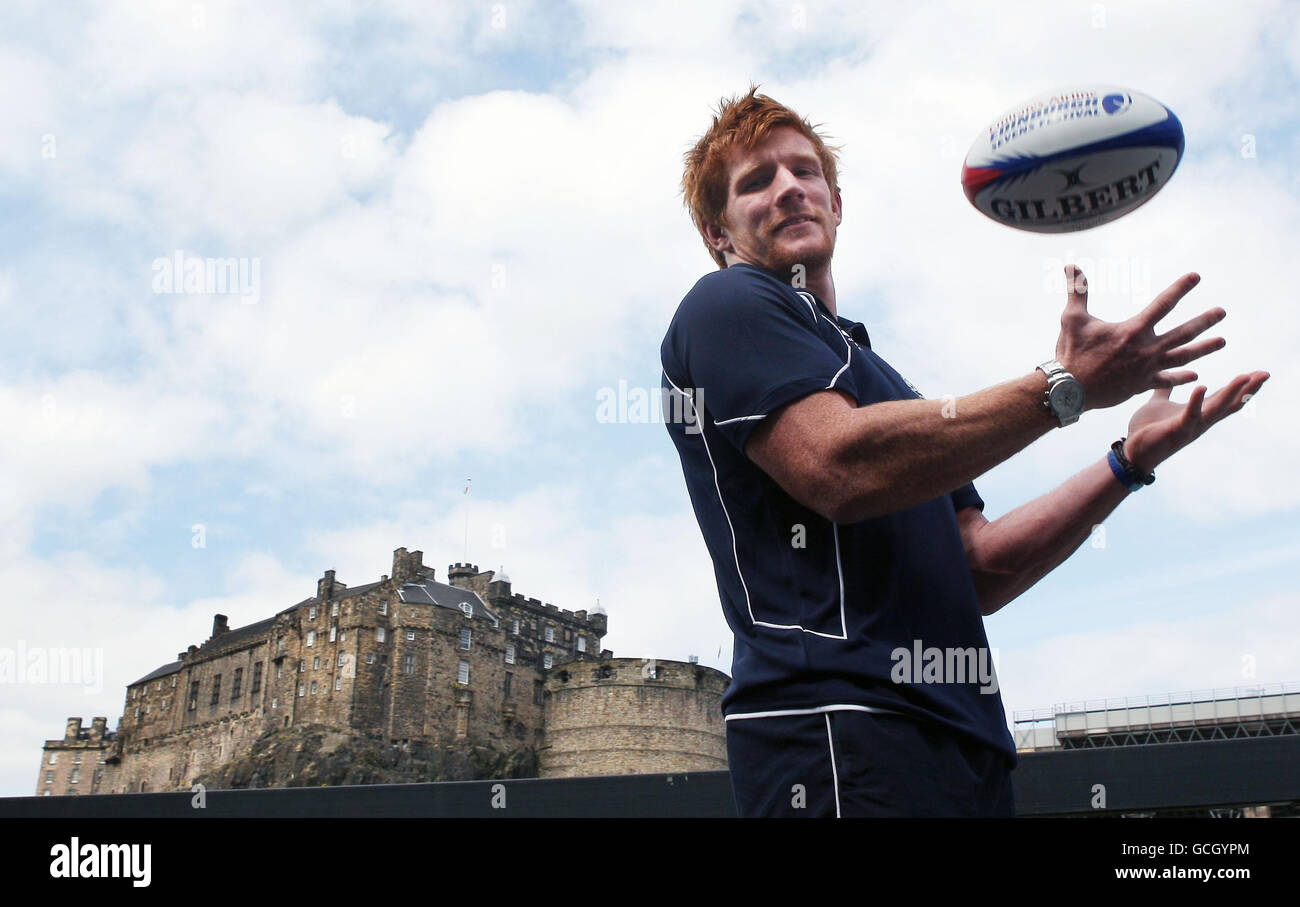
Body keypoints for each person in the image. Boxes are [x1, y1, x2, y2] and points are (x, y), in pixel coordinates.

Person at [659, 86, 1269, 818]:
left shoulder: (882, 380)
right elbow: (837, 467)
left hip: (964, 747)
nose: (789, 188)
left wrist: (1126, 462)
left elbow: (977, 564)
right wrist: (1064, 386)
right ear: (716, 234)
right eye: (756, 181)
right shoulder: (723, 306)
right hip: (836, 732)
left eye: (804, 170)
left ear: (837, 201)